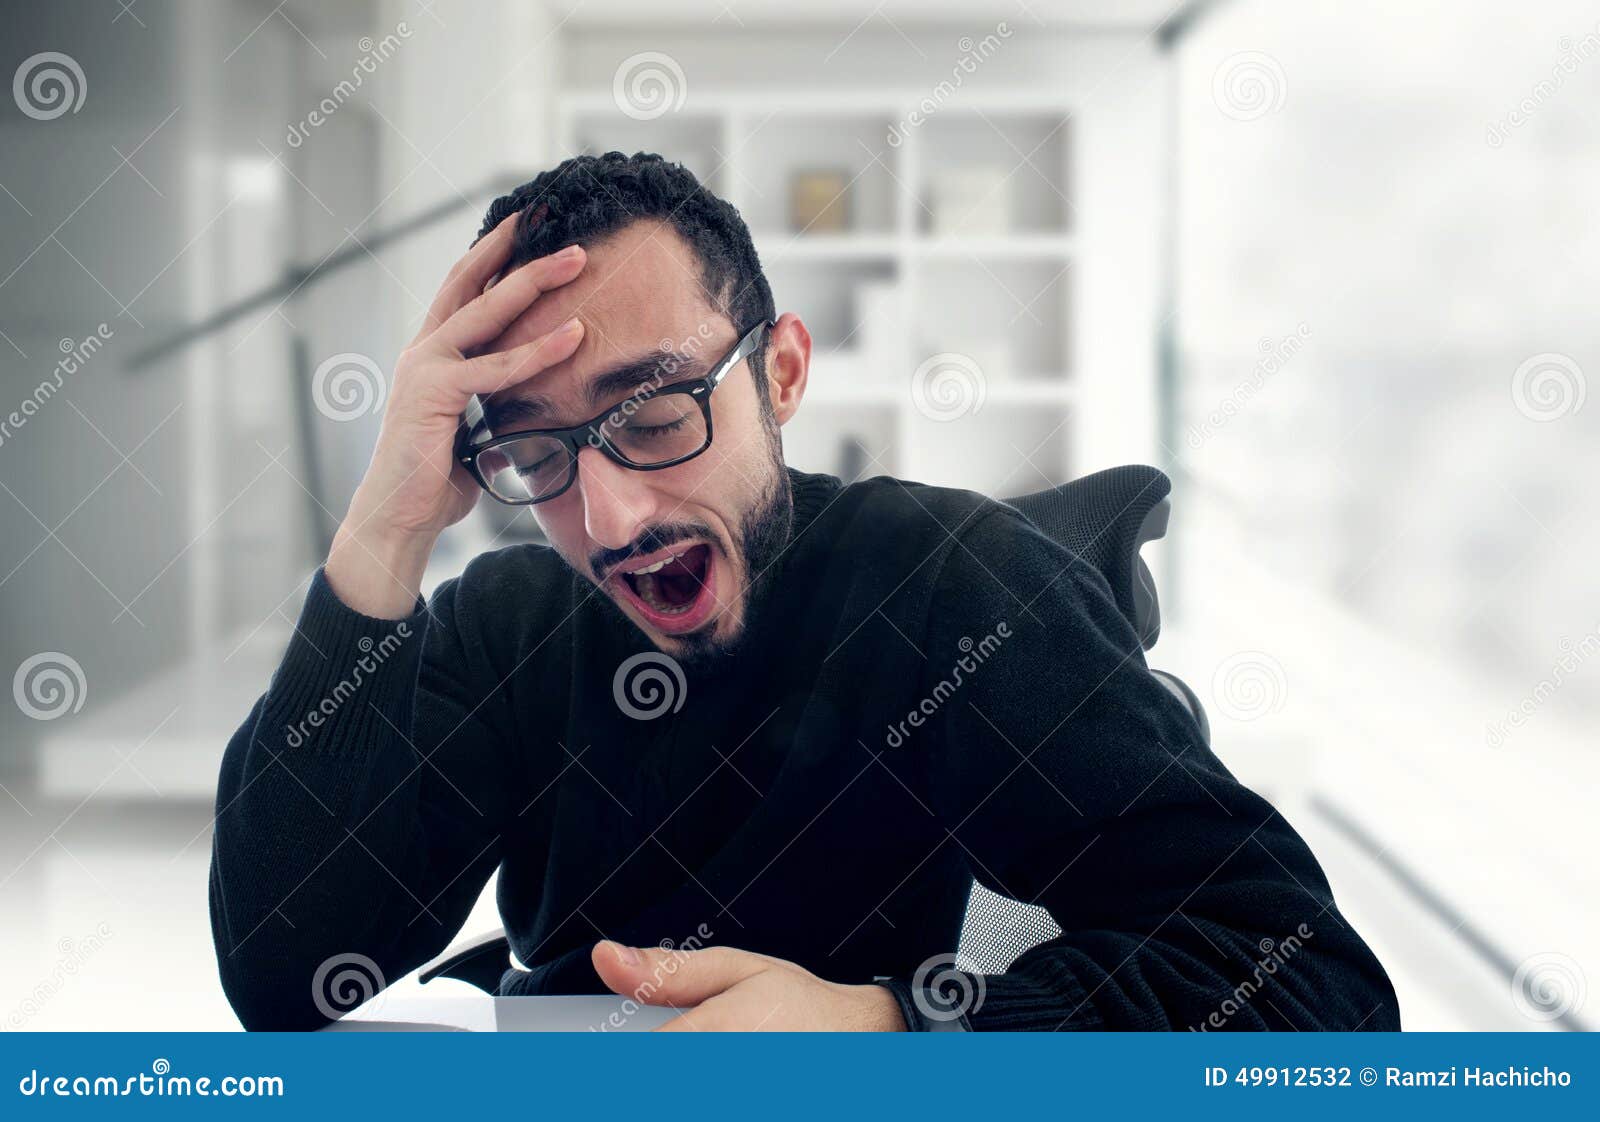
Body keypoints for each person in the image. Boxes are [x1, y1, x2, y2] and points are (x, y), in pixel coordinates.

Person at [209, 151, 1398, 1032]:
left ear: (778, 373)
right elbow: (285, 974)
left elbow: (1307, 982)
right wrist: (382, 529)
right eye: (539, 454)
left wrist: (888, 1032)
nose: (612, 519)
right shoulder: (509, 623)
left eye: (657, 413)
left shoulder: (953, 590)